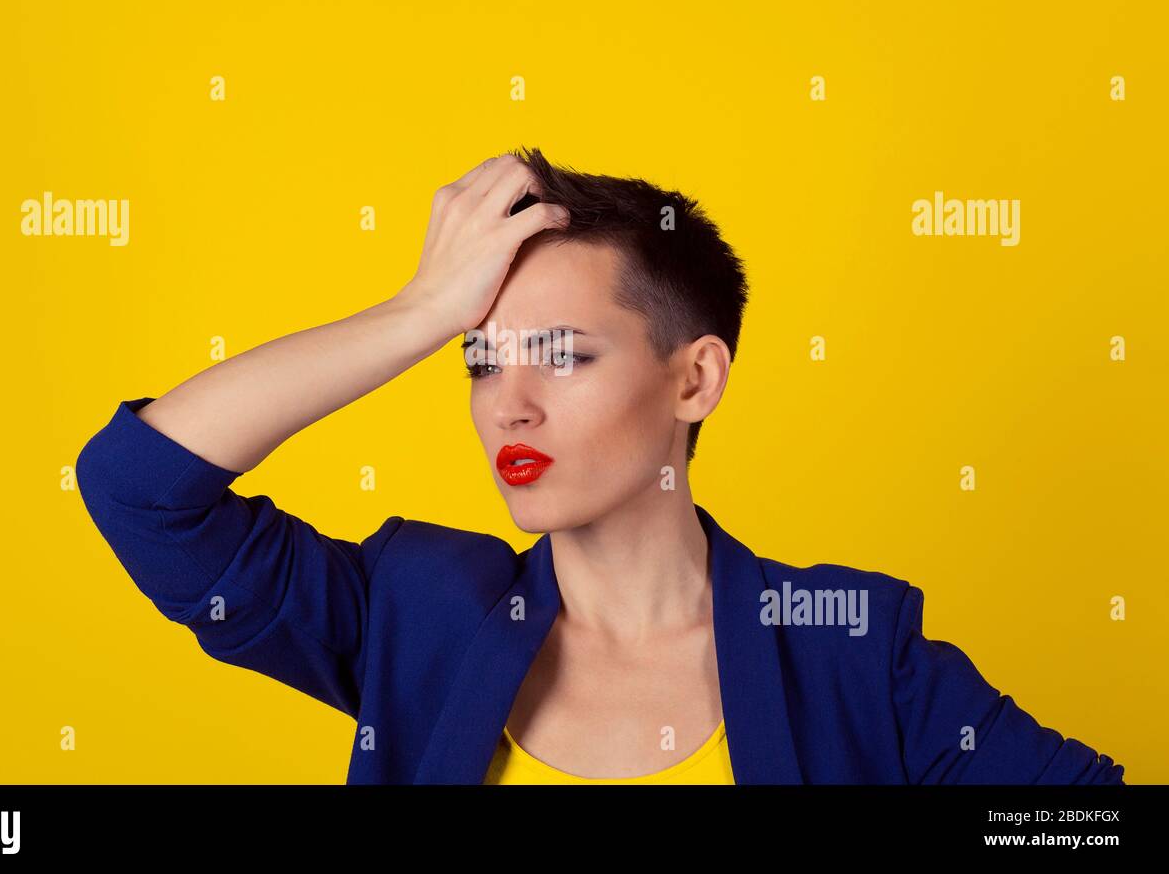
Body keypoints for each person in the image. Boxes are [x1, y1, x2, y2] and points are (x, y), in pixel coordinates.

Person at [75, 148, 1125, 784]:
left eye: (562, 354)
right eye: (480, 362)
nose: (508, 402)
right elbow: (140, 489)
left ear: (692, 380)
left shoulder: (852, 650)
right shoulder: (415, 613)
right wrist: (420, 312)